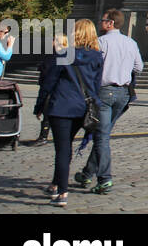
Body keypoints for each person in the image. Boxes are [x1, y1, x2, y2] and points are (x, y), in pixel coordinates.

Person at [74, 8, 143, 195]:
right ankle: (88, 173)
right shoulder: (131, 42)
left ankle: (105, 179)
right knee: (102, 136)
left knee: (102, 137)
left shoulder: (101, 42)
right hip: (123, 94)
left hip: (104, 93)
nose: (100, 22)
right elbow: (139, 67)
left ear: (110, 23)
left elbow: (91, 67)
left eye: (103, 20)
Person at [39, 20, 104, 208]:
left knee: (62, 150)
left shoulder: (64, 53)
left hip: (62, 107)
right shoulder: (97, 56)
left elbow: (49, 82)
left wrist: (39, 105)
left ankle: (62, 192)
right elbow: (96, 85)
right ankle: (55, 184)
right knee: (66, 147)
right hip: (83, 109)